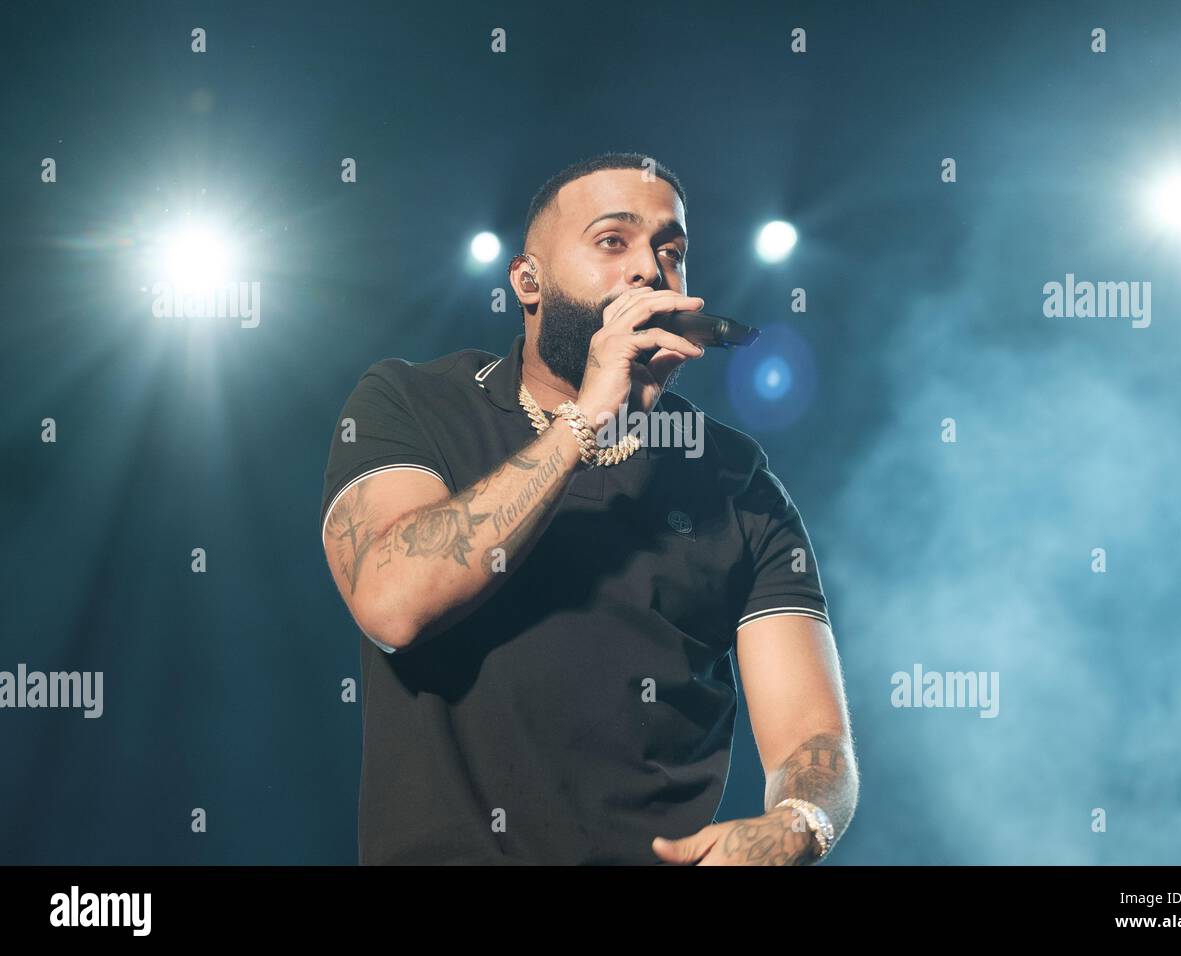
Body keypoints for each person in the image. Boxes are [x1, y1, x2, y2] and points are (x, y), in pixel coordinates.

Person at [320, 151, 857, 864]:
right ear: (528, 280)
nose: (648, 271)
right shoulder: (413, 403)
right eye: (612, 241)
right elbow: (392, 602)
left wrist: (797, 824)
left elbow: (813, 740)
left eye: (671, 252)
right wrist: (586, 420)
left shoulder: (736, 479)